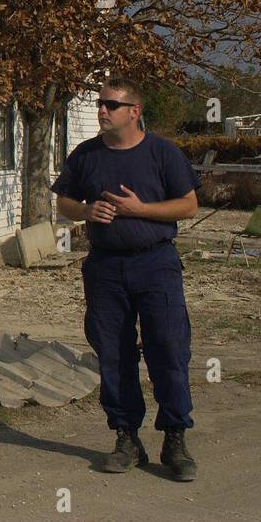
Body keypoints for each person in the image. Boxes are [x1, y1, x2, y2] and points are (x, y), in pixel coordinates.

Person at [51, 77, 200, 482]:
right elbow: (63, 200)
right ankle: (127, 438)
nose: (102, 110)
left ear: (134, 111)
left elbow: (188, 205)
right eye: (100, 103)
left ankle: (174, 439)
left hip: (156, 264)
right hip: (106, 267)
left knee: (168, 348)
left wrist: (139, 210)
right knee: (113, 352)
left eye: (111, 105)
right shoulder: (87, 155)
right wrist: (85, 212)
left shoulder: (162, 153)